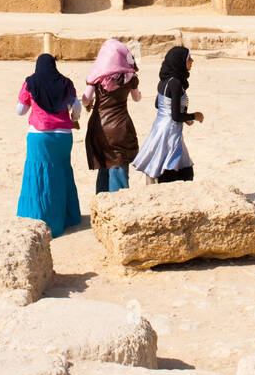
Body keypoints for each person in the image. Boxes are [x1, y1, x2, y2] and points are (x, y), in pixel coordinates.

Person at [16, 52, 81, 237]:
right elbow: (76, 107)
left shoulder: (30, 83)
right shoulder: (66, 83)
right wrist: (74, 118)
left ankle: (38, 218)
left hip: (40, 136)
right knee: (61, 173)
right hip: (63, 136)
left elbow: (20, 111)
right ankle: (65, 218)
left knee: (39, 176)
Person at [132, 45, 203, 184]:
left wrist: (183, 116)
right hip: (170, 131)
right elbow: (176, 116)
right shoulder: (175, 83)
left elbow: (158, 104)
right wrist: (194, 116)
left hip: (160, 127)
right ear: (180, 61)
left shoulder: (164, 81)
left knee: (164, 162)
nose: (192, 61)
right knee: (173, 168)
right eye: (189, 58)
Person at [82, 38, 141, 194]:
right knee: (118, 165)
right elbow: (137, 98)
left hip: (98, 127)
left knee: (103, 165)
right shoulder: (130, 78)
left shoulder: (96, 77)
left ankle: (101, 209)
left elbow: (85, 99)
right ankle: (118, 208)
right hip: (120, 127)